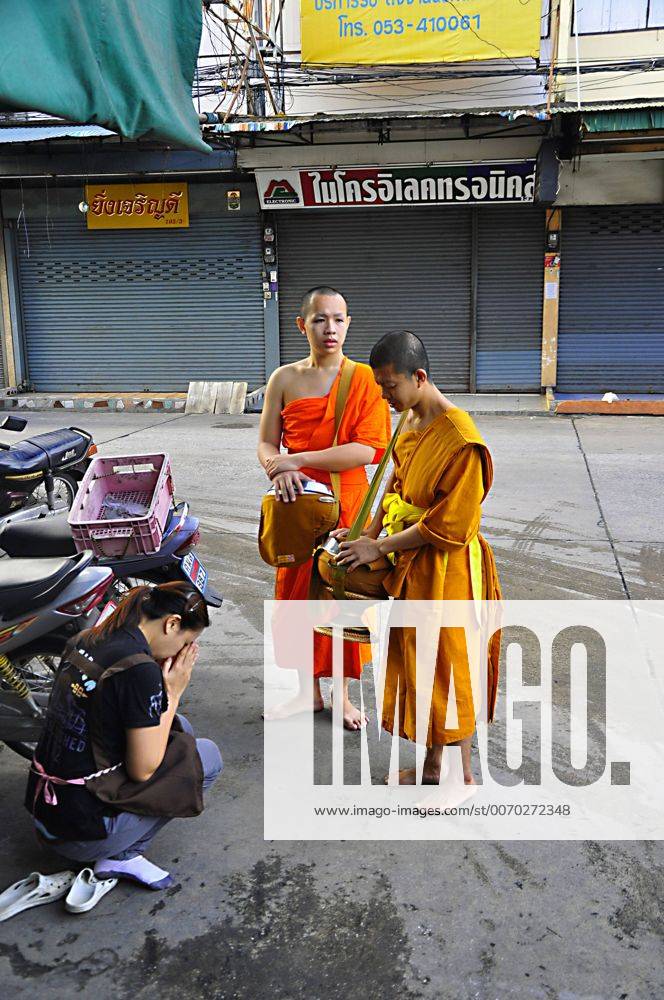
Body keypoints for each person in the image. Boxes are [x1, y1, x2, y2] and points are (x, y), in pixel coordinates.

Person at [335, 331, 501, 796]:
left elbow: (451, 525)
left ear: (419, 377)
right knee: (418, 663)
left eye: (390, 387)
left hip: (449, 567)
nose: (385, 397)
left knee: (449, 665)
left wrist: (380, 549)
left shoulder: (462, 438)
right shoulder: (408, 421)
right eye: (380, 387)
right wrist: (365, 533)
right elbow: (394, 484)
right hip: (413, 564)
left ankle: (461, 777)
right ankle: (433, 767)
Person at [25, 582, 222, 890]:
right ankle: (123, 854)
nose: (184, 652)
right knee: (207, 756)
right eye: (187, 641)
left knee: (180, 727)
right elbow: (143, 770)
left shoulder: (90, 637)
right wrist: (172, 691)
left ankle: (116, 838)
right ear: (172, 624)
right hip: (79, 836)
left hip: (47, 813)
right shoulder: (138, 669)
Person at [257, 286, 391, 730]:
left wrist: (298, 460)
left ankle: (344, 696)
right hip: (296, 503)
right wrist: (278, 469)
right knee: (294, 596)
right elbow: (265, 443)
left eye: (338, 318)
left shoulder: (365, 380)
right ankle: (305, 693)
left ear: (348, 323)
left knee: (343, 596)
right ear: (302, 325)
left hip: (349, 504)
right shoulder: (284, 379)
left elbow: (369, 449)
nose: (329, 328)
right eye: (319, 319)